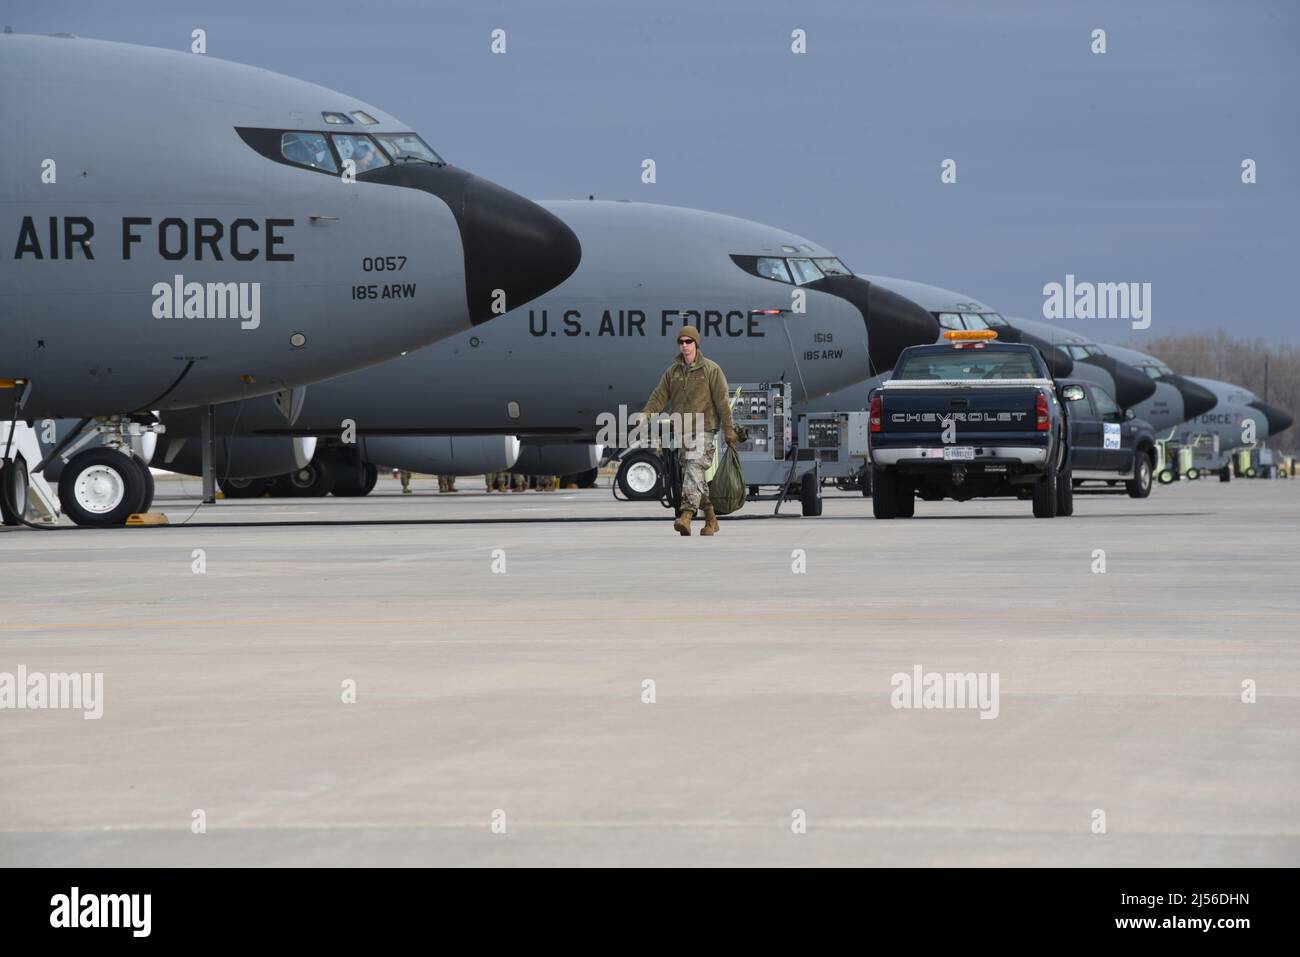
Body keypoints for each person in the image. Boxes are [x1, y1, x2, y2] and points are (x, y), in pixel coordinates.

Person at [638, 325, 737, 536]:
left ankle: (686, 515)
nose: (684, 346)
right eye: (681, 342)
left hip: (705, 428)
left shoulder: (711, 369)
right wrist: (647, 413)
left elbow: (722, 403)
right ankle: (711, 519)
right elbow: (659, 396)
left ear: (696, 344)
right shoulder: (672, 372)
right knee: (694, 477)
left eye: (688, 341)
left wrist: (729, 430)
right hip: (683, 430)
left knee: (693, 468)